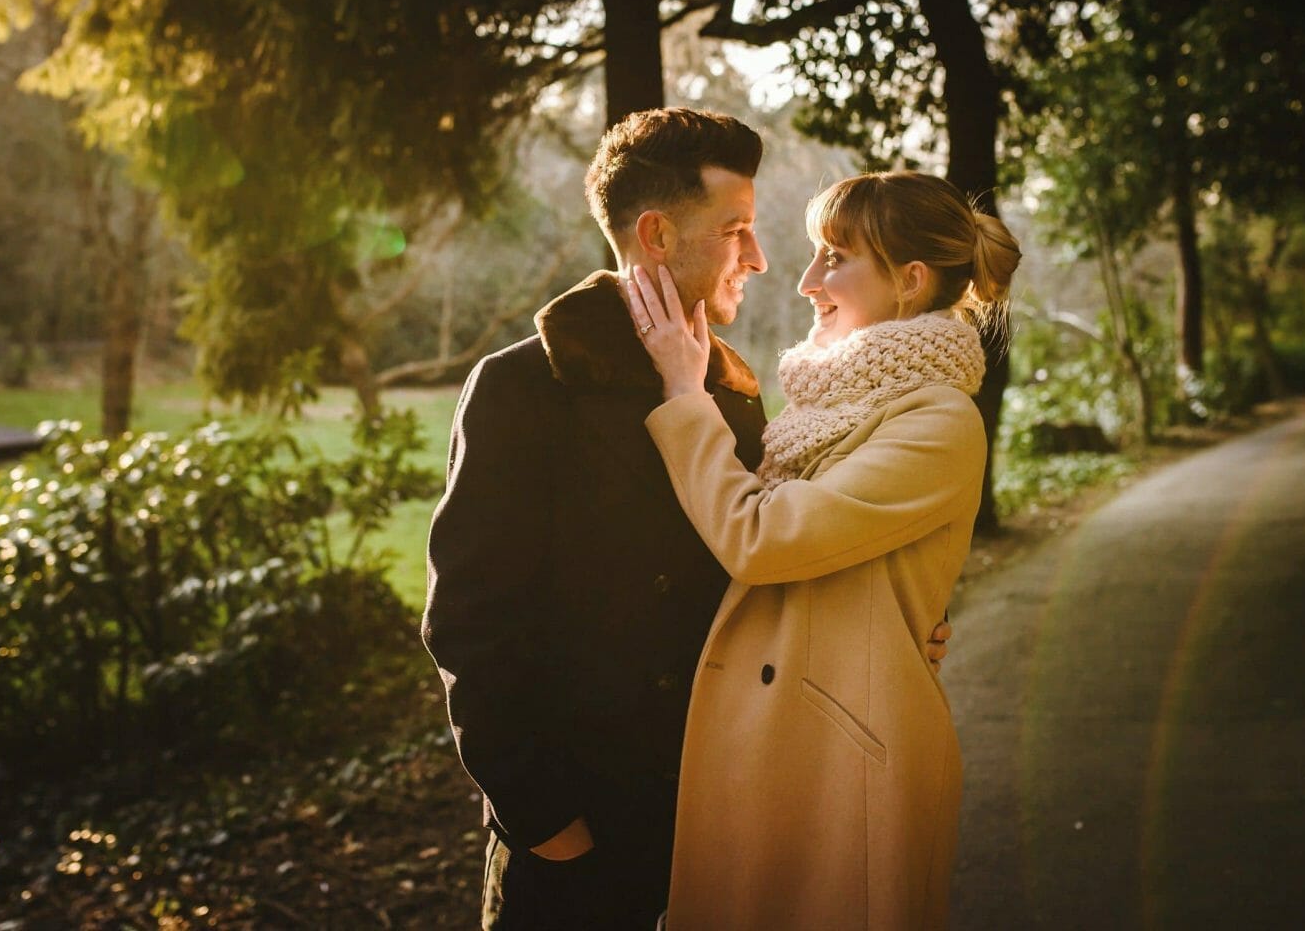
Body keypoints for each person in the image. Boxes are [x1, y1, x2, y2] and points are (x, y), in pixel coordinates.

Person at [422, 111, 953, 930]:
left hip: (720, 826)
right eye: (737, 229)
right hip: (577, 855)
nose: (762, 259)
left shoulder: (731, 396)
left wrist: (879, 618)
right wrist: (549, 827)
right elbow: (468, 628)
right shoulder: (524, 388)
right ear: (657, 235)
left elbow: (761, 566)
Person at [624, 170, 1021, 930]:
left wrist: (684, 394)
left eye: (835, 258)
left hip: (848, 763)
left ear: (910, 281)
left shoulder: (937, 423)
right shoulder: (832, 405)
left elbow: (762, 538)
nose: (808, 282)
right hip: (783, 743)